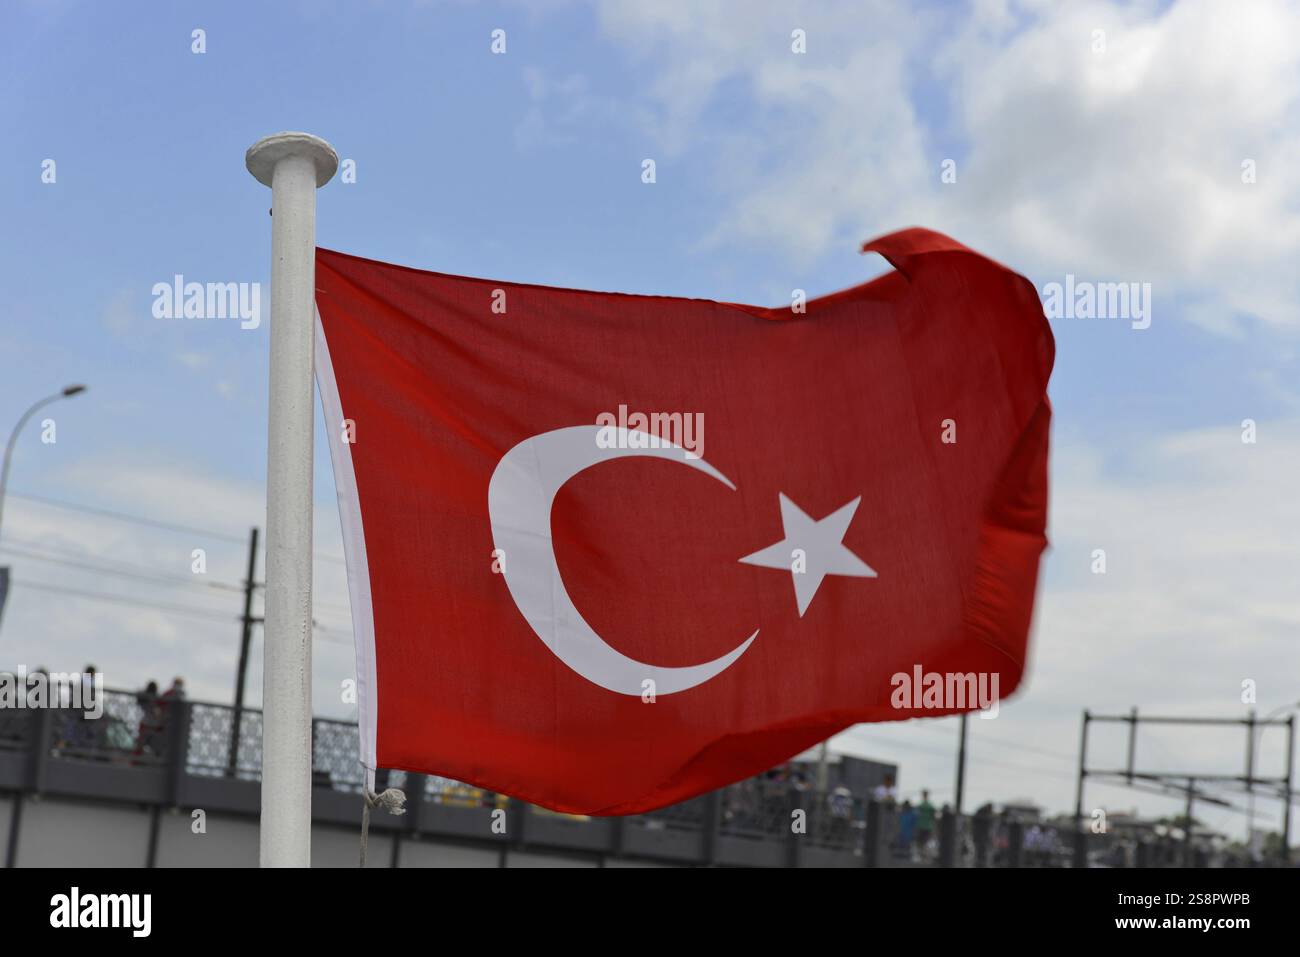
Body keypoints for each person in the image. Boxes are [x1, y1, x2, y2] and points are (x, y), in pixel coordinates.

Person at [916, 789, 936, 857]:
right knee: (923, 842)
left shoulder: (922, 805)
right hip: (925, 826)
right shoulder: (929, 805)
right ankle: (923, 855)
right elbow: (934, 816)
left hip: (925, 827)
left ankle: (923, 855)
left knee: (923, 842)